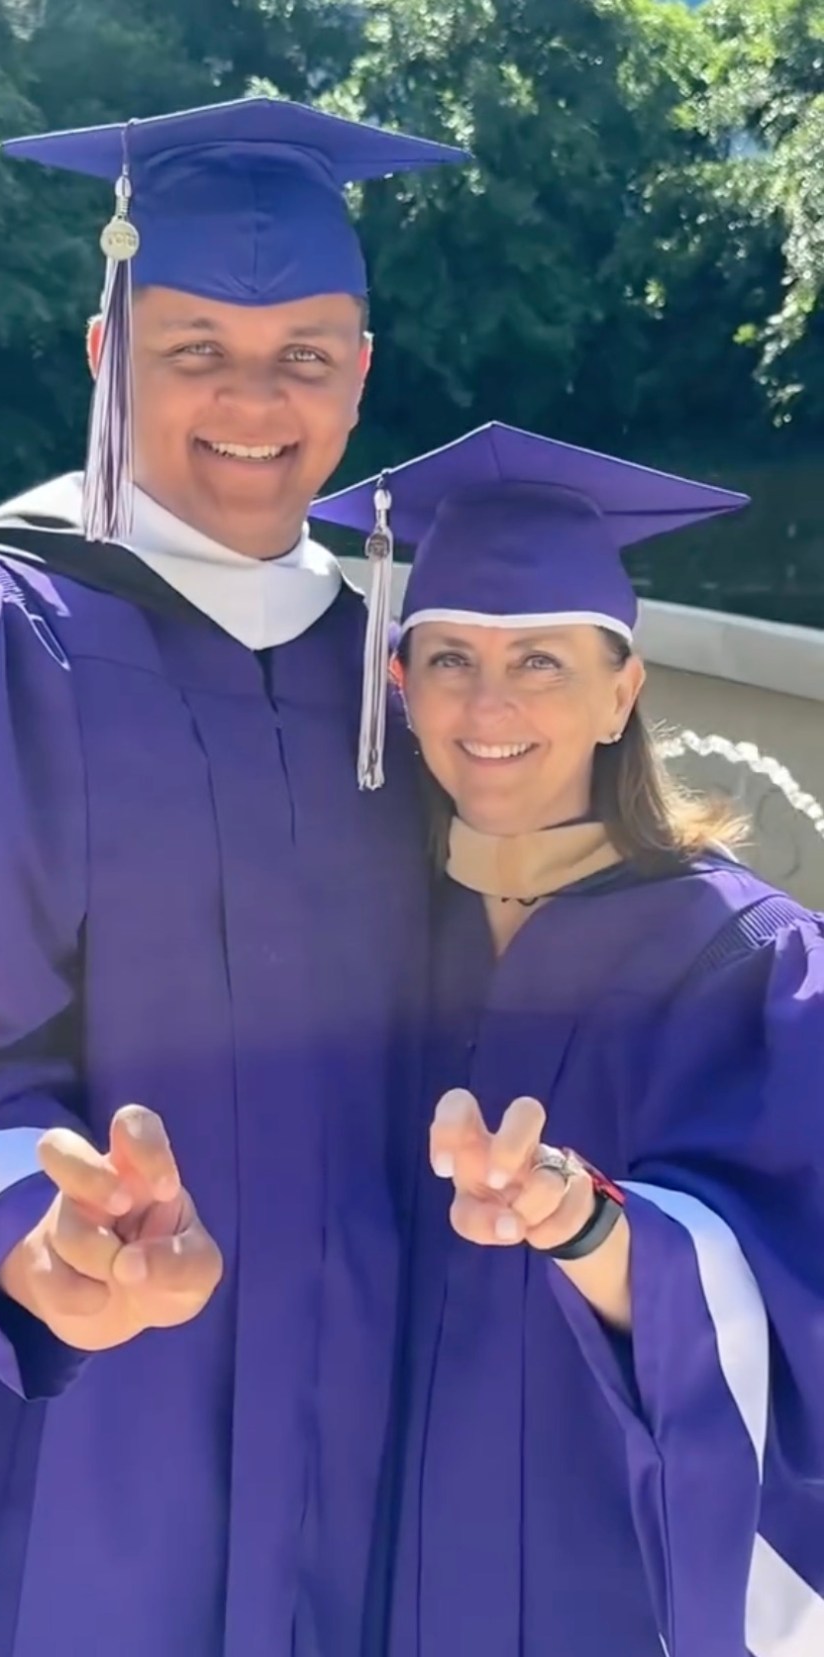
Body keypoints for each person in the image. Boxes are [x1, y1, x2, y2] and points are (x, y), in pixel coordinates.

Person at [0, 98, 466, 1657]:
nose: (256, 396)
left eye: (306, 353)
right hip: (57, 1416)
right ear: (106, 357)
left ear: (361, 377)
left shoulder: (391, 669)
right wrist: (37, 1251)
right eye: (195, 350)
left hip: (356, 1419)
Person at [312, 422, 824, 1657]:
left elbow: (798, 1301)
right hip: (362, 1555)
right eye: (446, 658)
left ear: (621, 691)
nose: (487, 703)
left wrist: (588, 1225)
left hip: (609, 1572)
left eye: (540, 660)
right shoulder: (343, 944)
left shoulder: (752, 966)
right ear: (399, 685)